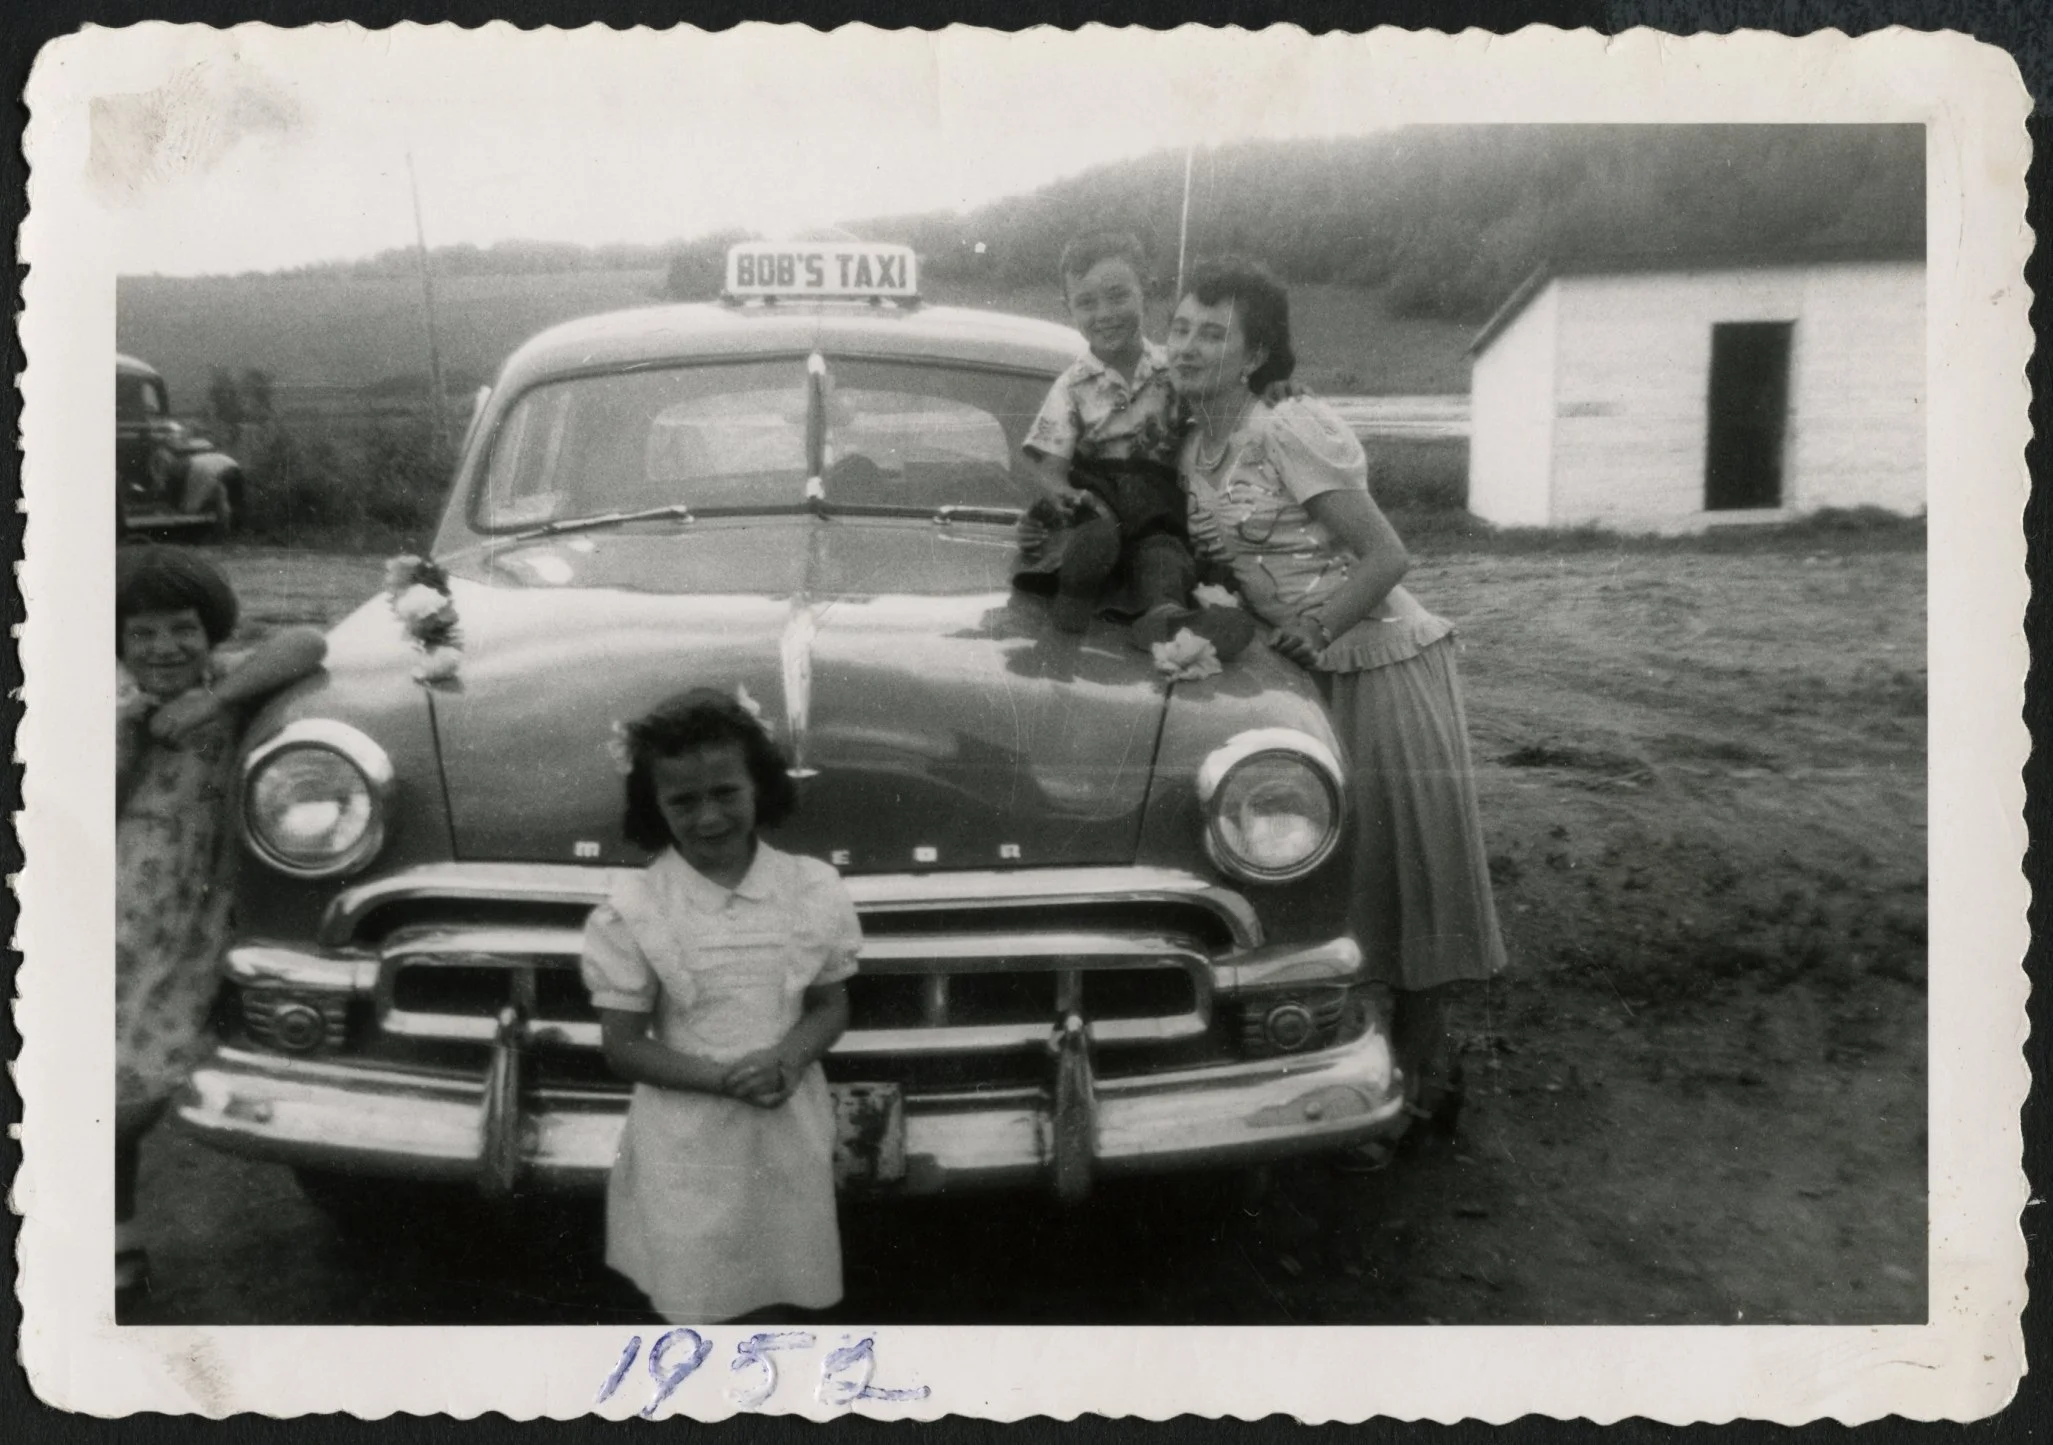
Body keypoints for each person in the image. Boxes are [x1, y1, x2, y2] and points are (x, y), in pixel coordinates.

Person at [1165, 257, 1509, 1159]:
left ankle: (1427, 1088)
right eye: (1183, 326)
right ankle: (1350, 1075)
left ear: (1254, 354)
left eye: (1212, 332)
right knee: (1328, 882)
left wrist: (1306, 634)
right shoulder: (1187, 446)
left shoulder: (1290, 428)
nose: (1188, 344)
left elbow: (1386, 556)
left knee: (1404, 880)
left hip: (1378, 665)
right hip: (1299, 684)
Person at [581, 689, 858, 1323]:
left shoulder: (810, 887)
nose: (708, 818)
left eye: (725, 793)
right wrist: (725, 1080)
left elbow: (829, 1005)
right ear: (654, 806)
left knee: (786, 1278)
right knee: (698, 1284)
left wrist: (788, 1058)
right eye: (683, 801)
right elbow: (622, 1045)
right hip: (687, 1135)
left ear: (759, 786)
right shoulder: (637, 908)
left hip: (786, 1116)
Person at [116, 546, 327, 1303]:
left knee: (130, 1087)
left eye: (183, 629)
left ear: (210, 633)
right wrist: (132, 733)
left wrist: (219, 699)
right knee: (113, 1094)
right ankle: (116, 1242)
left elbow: (308, 641)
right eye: (143, 634)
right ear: (118, 644)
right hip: (127, 922)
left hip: (199, 921)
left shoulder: (228, 690)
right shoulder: (117, 715)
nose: (166, 648)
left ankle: (111, 1237)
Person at [1014, 229, 1253, 657]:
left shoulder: (1174, 370)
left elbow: (1227, 408)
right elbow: (1048, 467)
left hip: (1156, 509)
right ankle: (1074, 590)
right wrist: (1062, 493)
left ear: (1148, 292)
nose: (1104, 313)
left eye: (1118, 296)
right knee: (1092, 532)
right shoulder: (1071, 386)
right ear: (1067, 308)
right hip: (1098, 501)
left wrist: (1272, 387)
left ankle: (1164, 615)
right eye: (1086, 302)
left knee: (1164, 554)